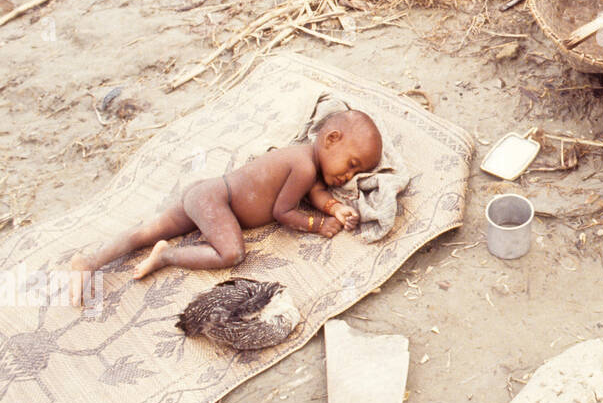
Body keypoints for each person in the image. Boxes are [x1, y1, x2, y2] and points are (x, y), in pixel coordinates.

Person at [69, 110, 382, 285]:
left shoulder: (307, 163)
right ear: (331, 139)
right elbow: (284, 211)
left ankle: (90, 261)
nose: (349, 177)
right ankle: (166, 256)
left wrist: (335, 208)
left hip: (206, 193)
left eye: (357, 173)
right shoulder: (302, 166)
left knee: (147, 231)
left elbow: (315, 192)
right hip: (216, 203)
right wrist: (317, 224)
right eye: (351, 164)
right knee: (231, 254)